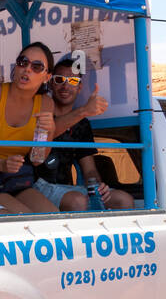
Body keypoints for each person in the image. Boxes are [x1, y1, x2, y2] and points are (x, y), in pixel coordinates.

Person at [0, 41, 59, 214]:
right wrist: (1, 164)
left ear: (47, 77)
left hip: (14, 180)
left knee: (51, 216)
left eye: (37, 66)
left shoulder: (46, 103)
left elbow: (37, 159)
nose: (27, 69)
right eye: (23, 62)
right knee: (23, 217)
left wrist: (49, 131)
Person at [33, 57, 134, 211]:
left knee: (123, 200)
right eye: (59, 79)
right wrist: (84, 110)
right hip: (38, 185)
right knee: (78, 201)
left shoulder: (82, 124)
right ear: (51, 84)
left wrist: (98, 186)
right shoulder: (40, 112)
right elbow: (44, 140)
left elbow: (89, 169)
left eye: (73, 81)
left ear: (79, 87)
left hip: (66, 189)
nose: (65, 86)